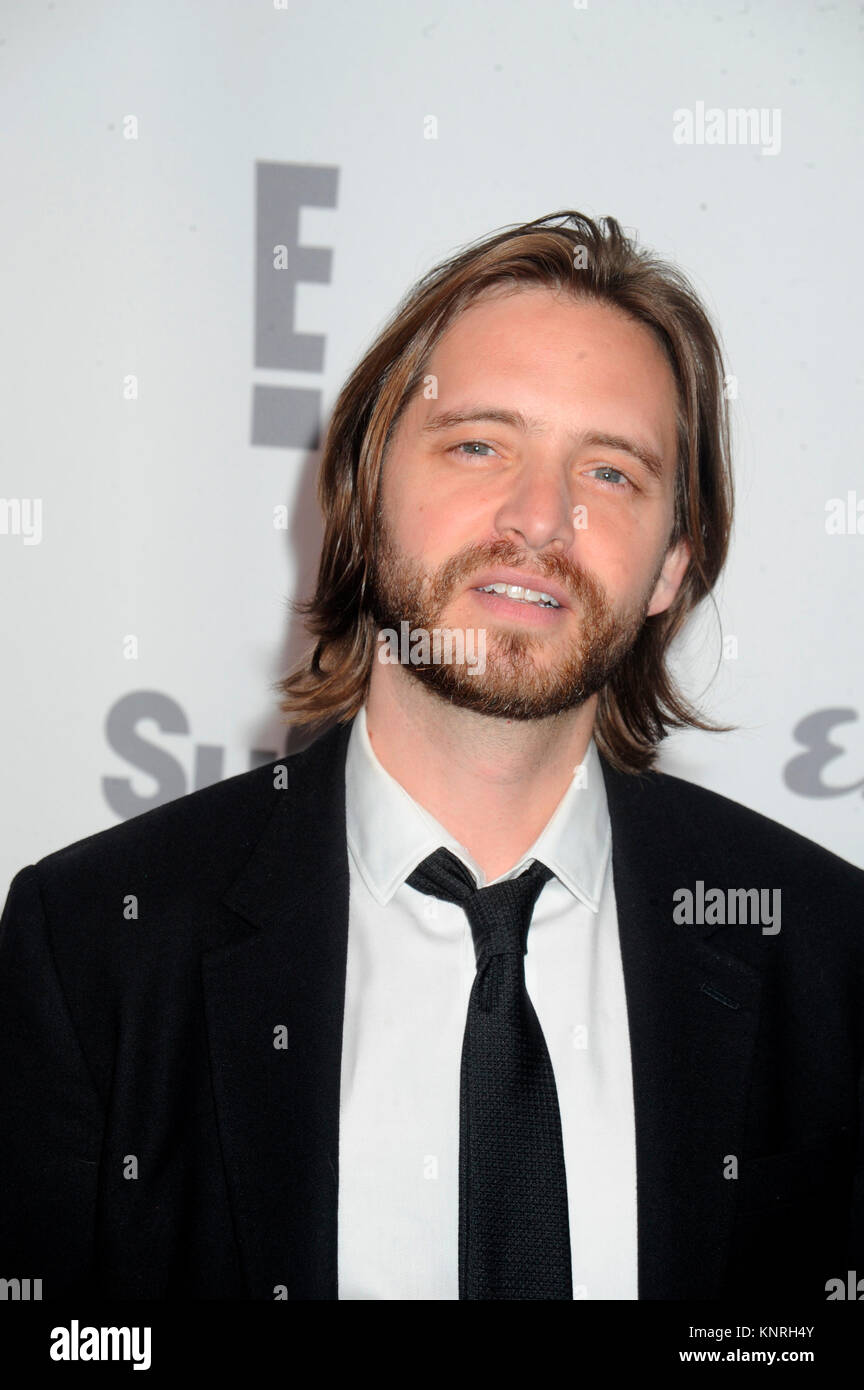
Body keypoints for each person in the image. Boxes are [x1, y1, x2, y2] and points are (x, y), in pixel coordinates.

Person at [1, 211, 861, 1302]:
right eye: (479, 444)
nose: (539, 518)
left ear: (670, 571)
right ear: (366, 491)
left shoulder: (827, 955)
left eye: (611, 472)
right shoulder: (94, 947)